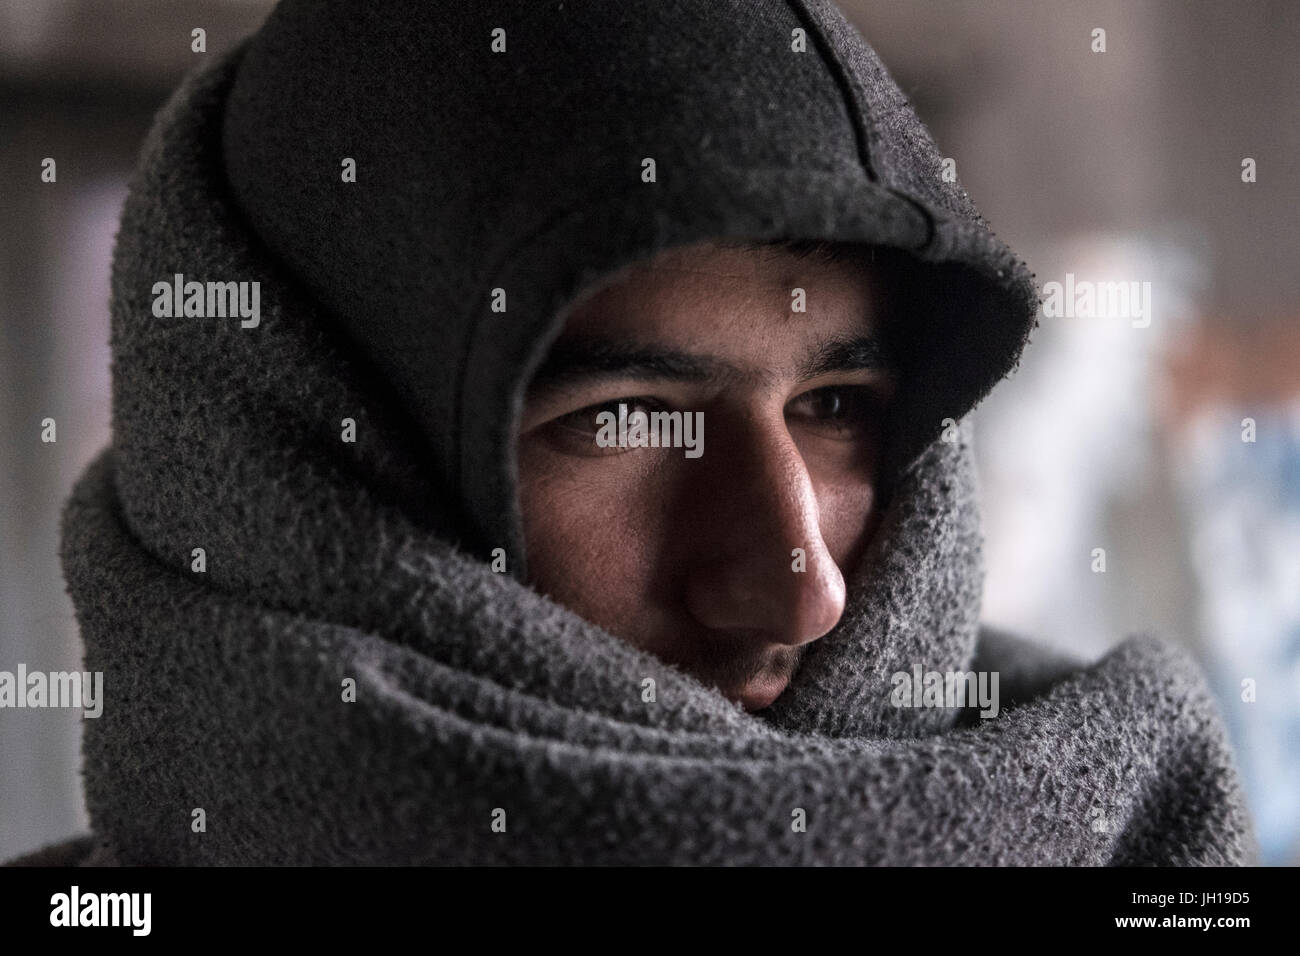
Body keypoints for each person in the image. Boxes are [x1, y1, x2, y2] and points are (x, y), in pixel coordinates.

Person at [9, 0, 1254, 866]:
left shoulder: (1133, 839)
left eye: (833, 408)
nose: (800, 585)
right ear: (307, 480)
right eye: (623, 420)